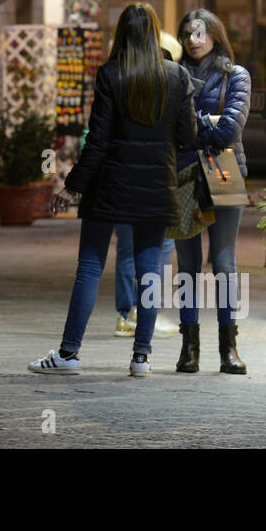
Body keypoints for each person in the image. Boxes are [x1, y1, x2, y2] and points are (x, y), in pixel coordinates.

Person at [29, 2, 197, 377]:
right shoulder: (176, 76)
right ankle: (141, 358)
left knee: (89, 268)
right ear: (155, 34)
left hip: (109, 187)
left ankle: (69, 355)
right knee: (150, 272)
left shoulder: (110, 74)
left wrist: (73, 187)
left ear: (120, 33)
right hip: (156, 188)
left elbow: (98, 141)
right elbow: (188, 137)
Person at [173, 8, 252, 374]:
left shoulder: (236, 76)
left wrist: (198, 123)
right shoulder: (173, 76)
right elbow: (173, 131)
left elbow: (228, 131)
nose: (193, 39)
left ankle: (228, 348)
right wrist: (208, 122)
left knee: (223, 263)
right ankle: (189, 348)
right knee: (188, 266)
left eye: (200, 33)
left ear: (216, 35)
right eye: (187, 33)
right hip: (184, 173)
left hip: (224, 171)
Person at [113, 34, 187, 339]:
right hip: (158, 182)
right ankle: (140, 314)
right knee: (155, 250)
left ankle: (132, 313)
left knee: (133, 250)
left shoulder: (121, 83)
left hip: (126, 182)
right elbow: (187, 132)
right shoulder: (172, 87)